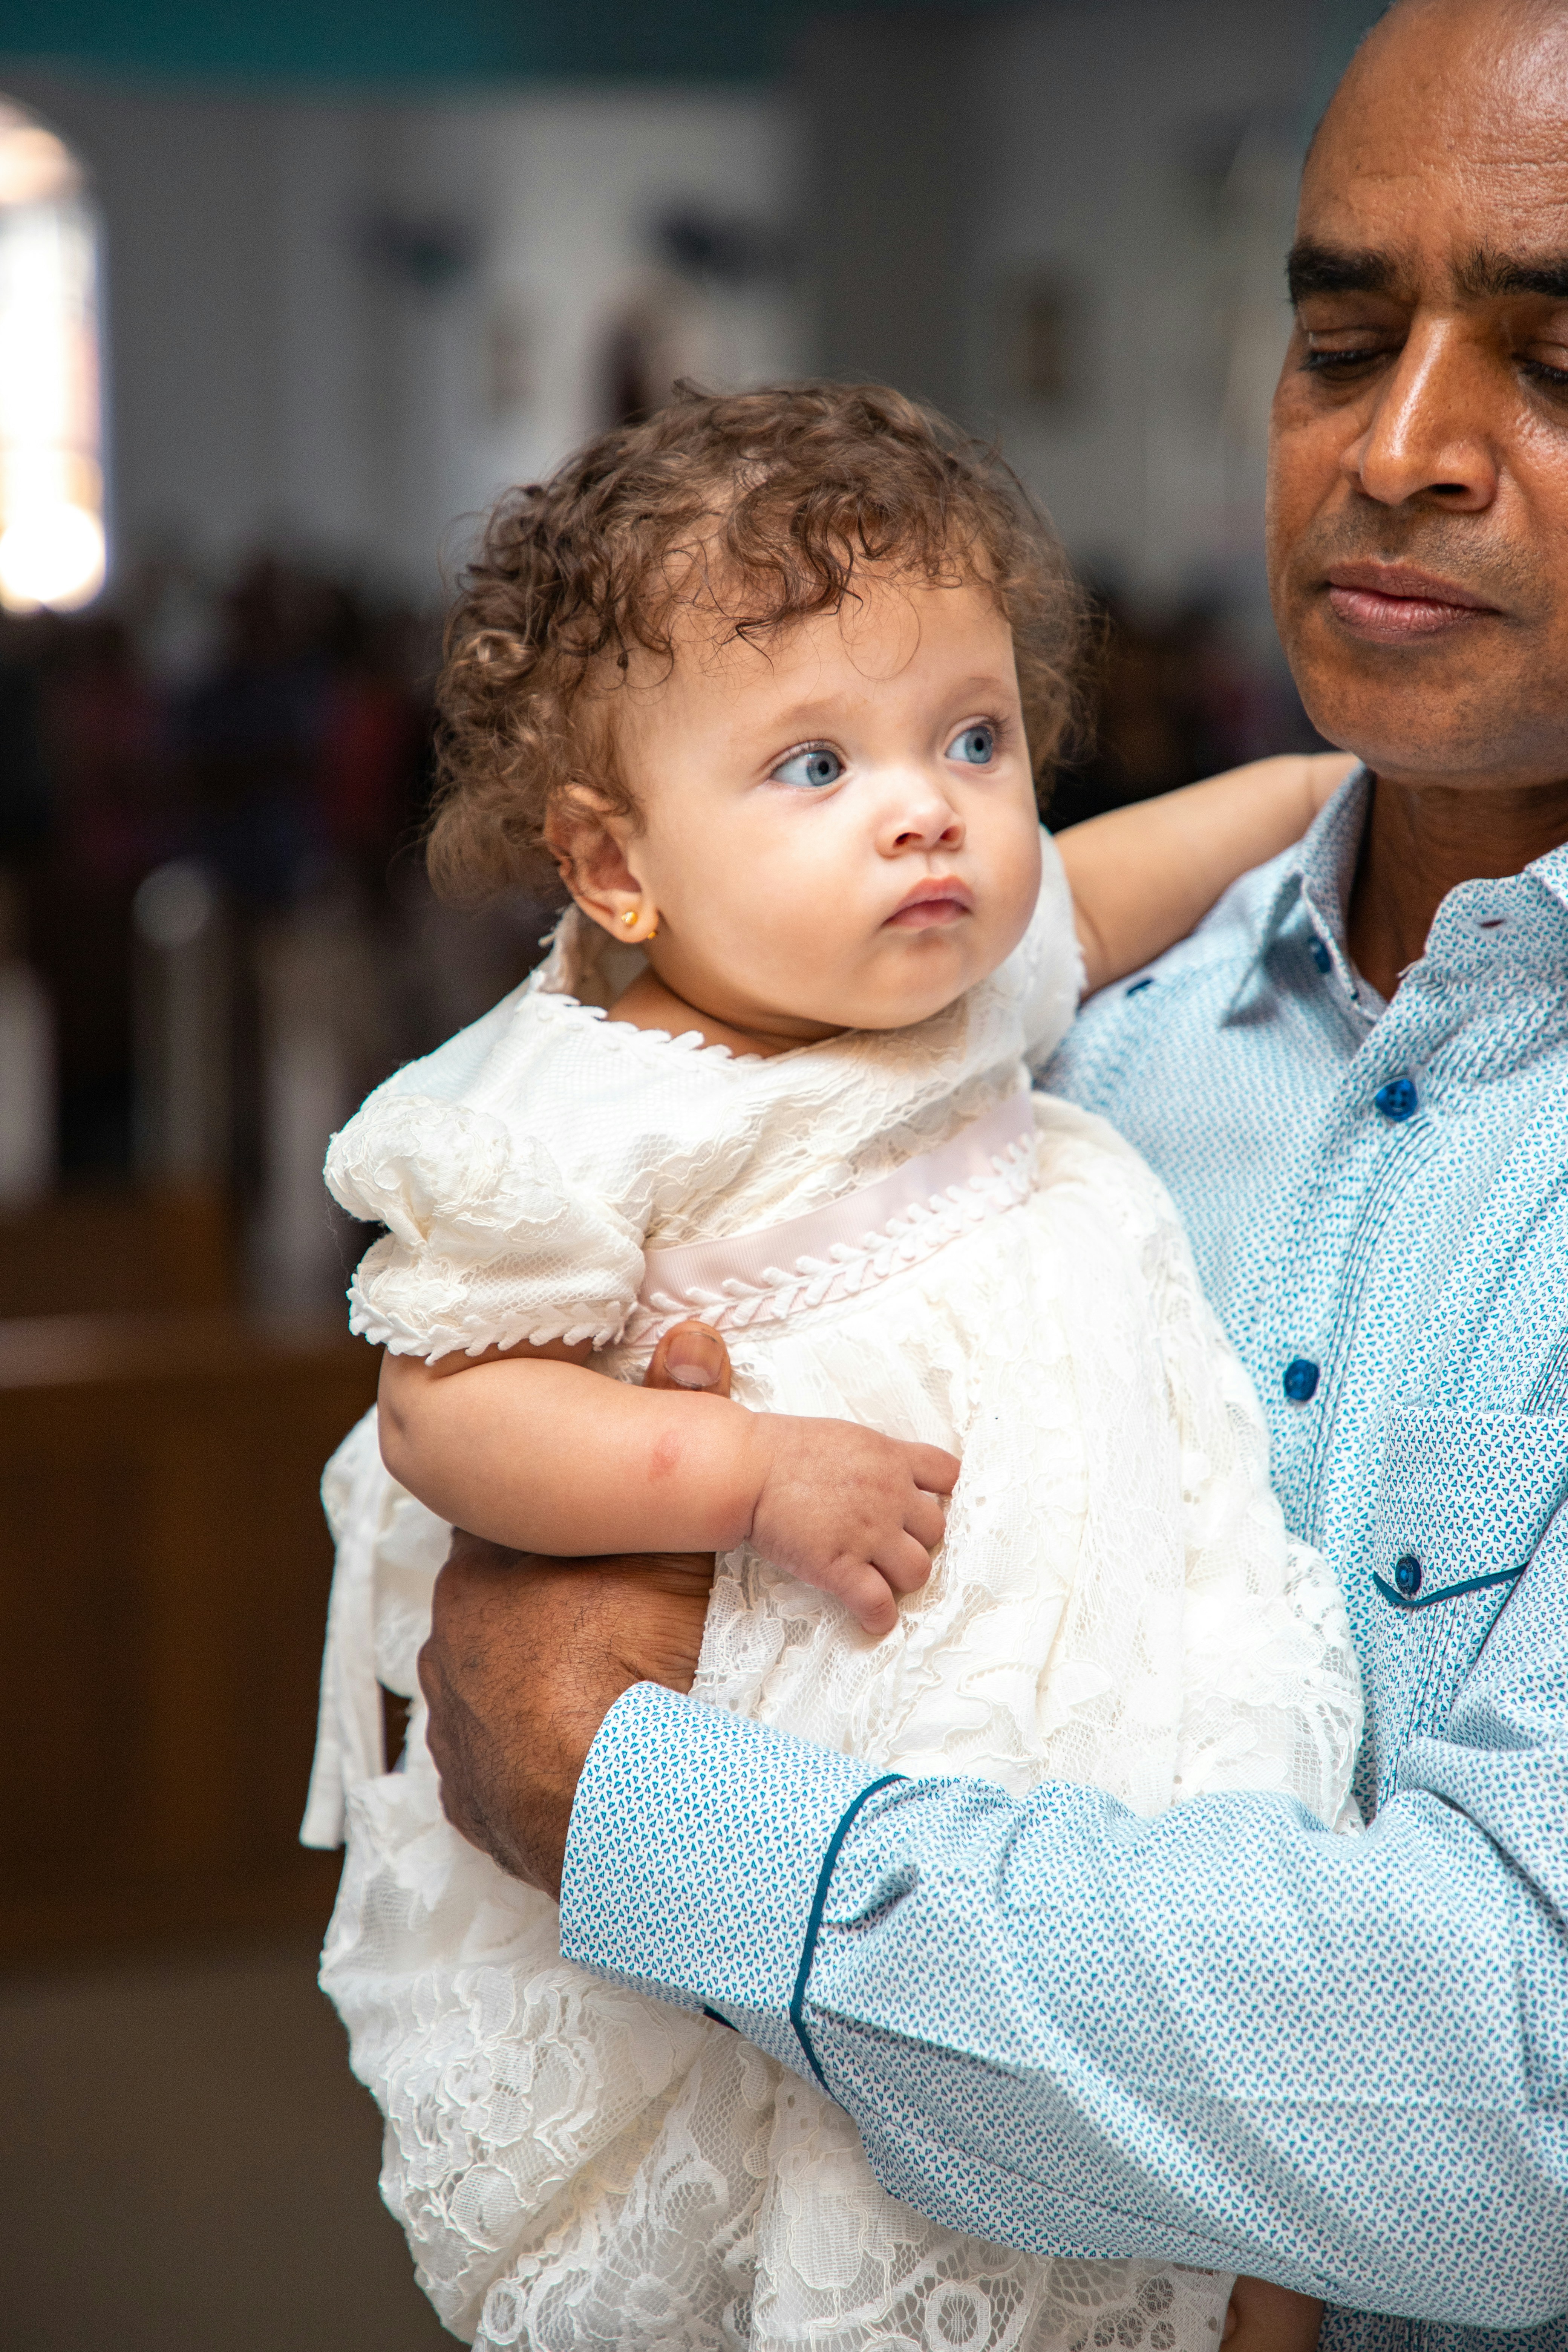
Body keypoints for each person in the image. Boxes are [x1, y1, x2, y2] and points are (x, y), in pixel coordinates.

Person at [412, 2, 1568, 2348]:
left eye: (1561, 363)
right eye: (1341, 337)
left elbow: (1514, 2104)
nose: (1406, 447)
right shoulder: (1021, 1049)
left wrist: (632, 1800)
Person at [305, 381, 1357, 2351]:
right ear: (614, 866)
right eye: (813, 762)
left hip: (1090, 1627)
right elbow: (445, 1408)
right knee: (821, 2140)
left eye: (974, 736)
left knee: (1176, 2001)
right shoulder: (580, 1107)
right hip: (818, 1664)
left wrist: (1325, 798)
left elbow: (1122, 885)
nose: (925, 804)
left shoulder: (951, 987)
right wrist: (748, 1476)